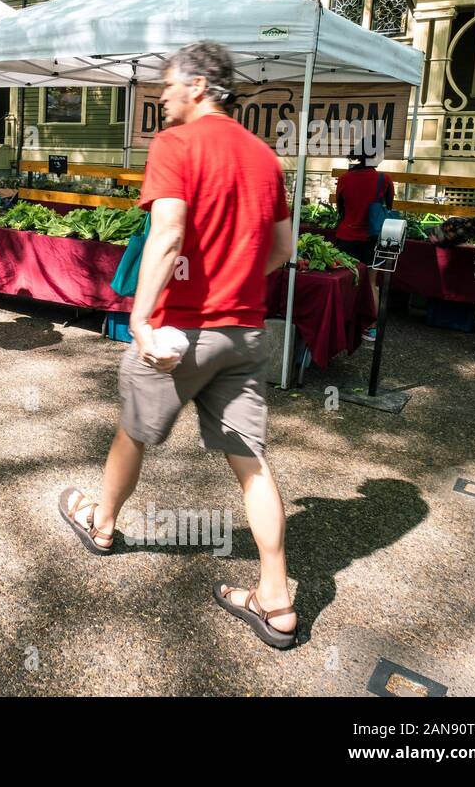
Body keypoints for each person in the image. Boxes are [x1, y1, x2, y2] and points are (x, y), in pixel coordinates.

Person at [57, 41, 299, 649]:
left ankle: (102, 521)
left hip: (181, 332)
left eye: (167, 85)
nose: (160, 96)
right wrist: (234, 287)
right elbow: (282, 252)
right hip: (244, 332)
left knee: (134, 431)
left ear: (197, 85)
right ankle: (276, 596)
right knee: (251, 461)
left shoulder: (177, 145)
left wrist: (140, 319)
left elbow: (167, 236)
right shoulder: (265, 157)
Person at [334, 142, 394, 342]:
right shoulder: (384, 179)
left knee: (344, 283)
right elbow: (388, 207)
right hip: (371, 238)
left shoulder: (344, 179)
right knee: (371, 284)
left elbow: (340, 209)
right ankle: (371, 329)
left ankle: (342, 324)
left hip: (346, 238)